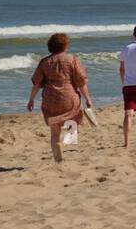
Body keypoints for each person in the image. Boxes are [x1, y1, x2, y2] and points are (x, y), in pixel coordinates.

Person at [27, 32, 93, 163]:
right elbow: (81, 82)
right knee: (72, 122)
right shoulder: (72, 60)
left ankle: (58, 159)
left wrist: (31, 99)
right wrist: (88, 99)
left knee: (54, 133)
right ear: (65, 45)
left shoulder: (44, 62)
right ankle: (68, 136)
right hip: (69, 98)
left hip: (50, 100)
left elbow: (37, 83)